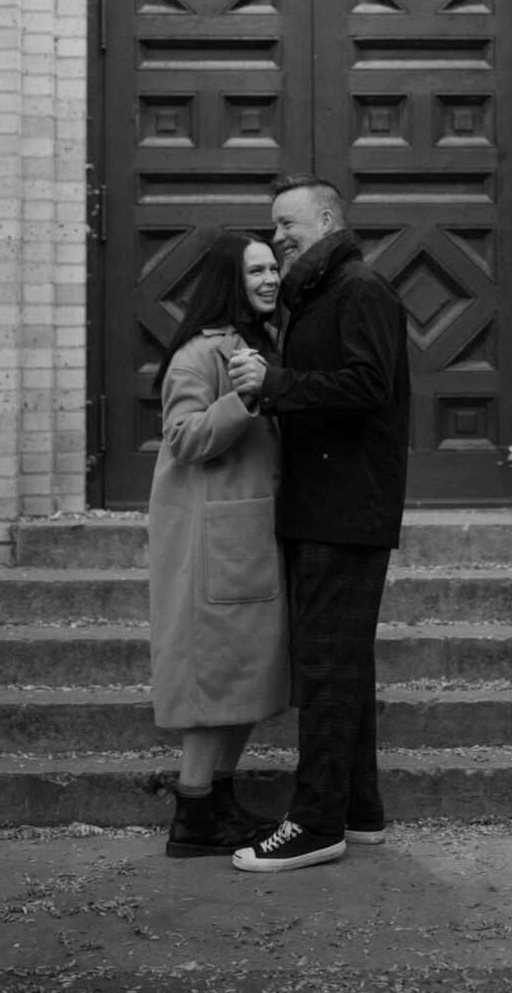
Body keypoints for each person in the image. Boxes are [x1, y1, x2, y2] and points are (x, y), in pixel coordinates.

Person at [228, 174, 411, 874]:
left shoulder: (360, 289)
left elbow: (370, 385)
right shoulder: (320, 294)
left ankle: (314, 822)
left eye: (288, 222)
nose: (277, 235)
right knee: (343, 664)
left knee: (328, 667)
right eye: (273, 224)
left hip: (347, 511)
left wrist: (275, 385)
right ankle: (358, 810)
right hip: (326, 507)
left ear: (329, 218)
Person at [147, 230, 288, 858]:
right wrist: (247, 398)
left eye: (274, 268)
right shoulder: (198, 355)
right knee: (215, 679)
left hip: (250, 534)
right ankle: (193, 812)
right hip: (215, 541)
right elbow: (183, 437)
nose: (270, 278)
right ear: (230, 279)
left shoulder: (258, 343)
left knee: (246, 676)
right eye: (255, 269)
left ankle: (220, 802)